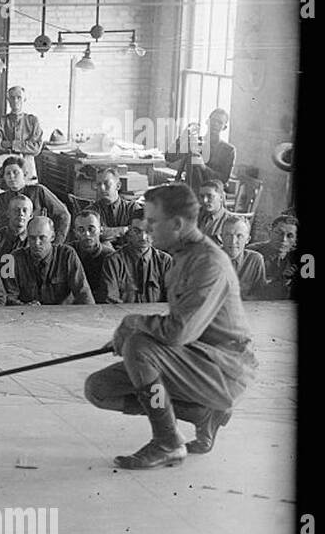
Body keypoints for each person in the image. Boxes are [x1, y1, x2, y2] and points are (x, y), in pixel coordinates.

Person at [84, 182, 257, 468]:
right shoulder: (183, 256)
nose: (147, 229)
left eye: (153, 221)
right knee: (99, 389)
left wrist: (133, 325)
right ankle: (202, 414)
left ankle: (167, 441)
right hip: (196, 360)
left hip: (225, 368)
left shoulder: (207, 263)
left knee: (140, 347)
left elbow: (179, 331)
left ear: (177, 223)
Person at [6, 216, 94, 305]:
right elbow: (7, 297)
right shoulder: (11, 259)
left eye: (42, 238)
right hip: (26, 315)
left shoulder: (68, 255)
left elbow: (83, 293)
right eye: (32, 238)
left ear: (52, 237)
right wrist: (23, 306)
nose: (36, 243)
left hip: (62, 315)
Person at [0, 156, 71, 243]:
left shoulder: (38, 191)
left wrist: (56, 244)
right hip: (8, 247)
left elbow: (63, 216)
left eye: (15, 172)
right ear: (4, 177)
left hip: (35, 245)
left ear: (25, 174)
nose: (11, 177)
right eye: (8, 173)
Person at [100, 213, 173, 304]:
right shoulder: (113, 261)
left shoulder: (165, 261)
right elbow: (110, 300)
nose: (143, 237)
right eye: (136, 231)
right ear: (129, 231)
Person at [249, 214, 300, 300]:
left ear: (296, 240)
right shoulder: (252, 254)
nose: (283, 239)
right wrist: (282, 280)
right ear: (270, 233)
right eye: (279, 233)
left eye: (290, 236)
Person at [71, 210, 114, 305]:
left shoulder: (110, 257)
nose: (87, 234)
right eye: (81, 230)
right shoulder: (68, 254)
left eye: (91, 229)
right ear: (75, 233)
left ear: (101, 230)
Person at [219, 217, 267, 300]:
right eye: (228, 235)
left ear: (247, 239)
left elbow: (260, 294)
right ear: (221, 237)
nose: (233, 241)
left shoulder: (255, 260)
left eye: (239, 236)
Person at [0, 85, 44, 156]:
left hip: (27, 164)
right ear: (8, 100)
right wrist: (25, 146)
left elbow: (36, 148)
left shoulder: (33, 121)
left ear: (24, 99)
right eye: (12, 98)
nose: (15, 101)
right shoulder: (1, 122)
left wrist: (11, 144)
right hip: (7, 163)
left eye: (19, 97)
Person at [89, 168, 139, 243]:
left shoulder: (132, 208)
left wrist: (106, 231)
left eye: (106, 183)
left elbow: (141, 233)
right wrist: (124, 230)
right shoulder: (91, 211)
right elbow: (93, 234)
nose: (102, 188)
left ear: (118, 186)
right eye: (99, 184)